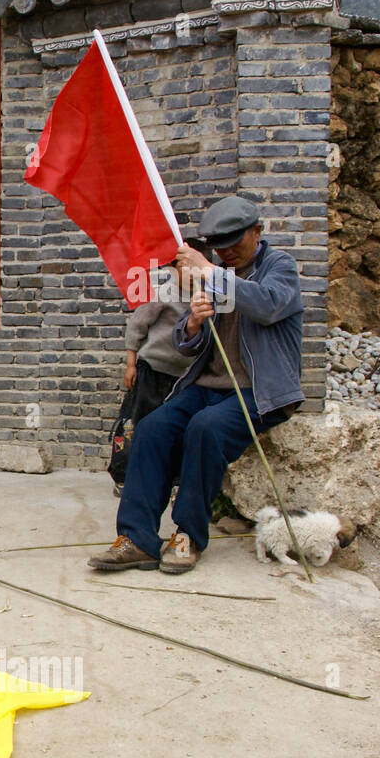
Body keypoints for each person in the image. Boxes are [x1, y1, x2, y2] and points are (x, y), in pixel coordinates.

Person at [89, 196, 303, 575]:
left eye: (235, 242)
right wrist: (192, 326)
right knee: (152, 428)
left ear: (257, 232)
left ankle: (188, 535)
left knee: (205, 428)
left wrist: (210, 270)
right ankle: (137, 538)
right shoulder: (218, 270)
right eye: (219, 245)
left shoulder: (278, 267)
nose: (227, 251)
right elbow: (188, 341)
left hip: (259, 392)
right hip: (207, 385)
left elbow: (269, 305)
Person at [107, 240, 210, 492]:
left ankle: (174, 480)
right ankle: (124, 476)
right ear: (173, 270)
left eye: (195, 268)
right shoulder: (163, 293)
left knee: (177, 427)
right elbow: (137, 326)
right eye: (183, 269)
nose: (190, 275)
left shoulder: (208, 298)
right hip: (151, 371)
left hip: (185, 378)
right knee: (135, 423)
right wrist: (131, 364)